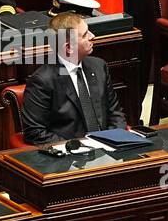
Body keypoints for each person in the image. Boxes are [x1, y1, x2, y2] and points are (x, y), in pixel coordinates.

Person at [20, 12, 126, 145]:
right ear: (69, 48)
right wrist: (77, 147)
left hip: (108, 149)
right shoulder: (43, 81)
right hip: (71, 157)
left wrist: (114, 140)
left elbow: (115, 113)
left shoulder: (99, 66)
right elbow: (35, 132)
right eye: (85, 35)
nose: (92, 36)